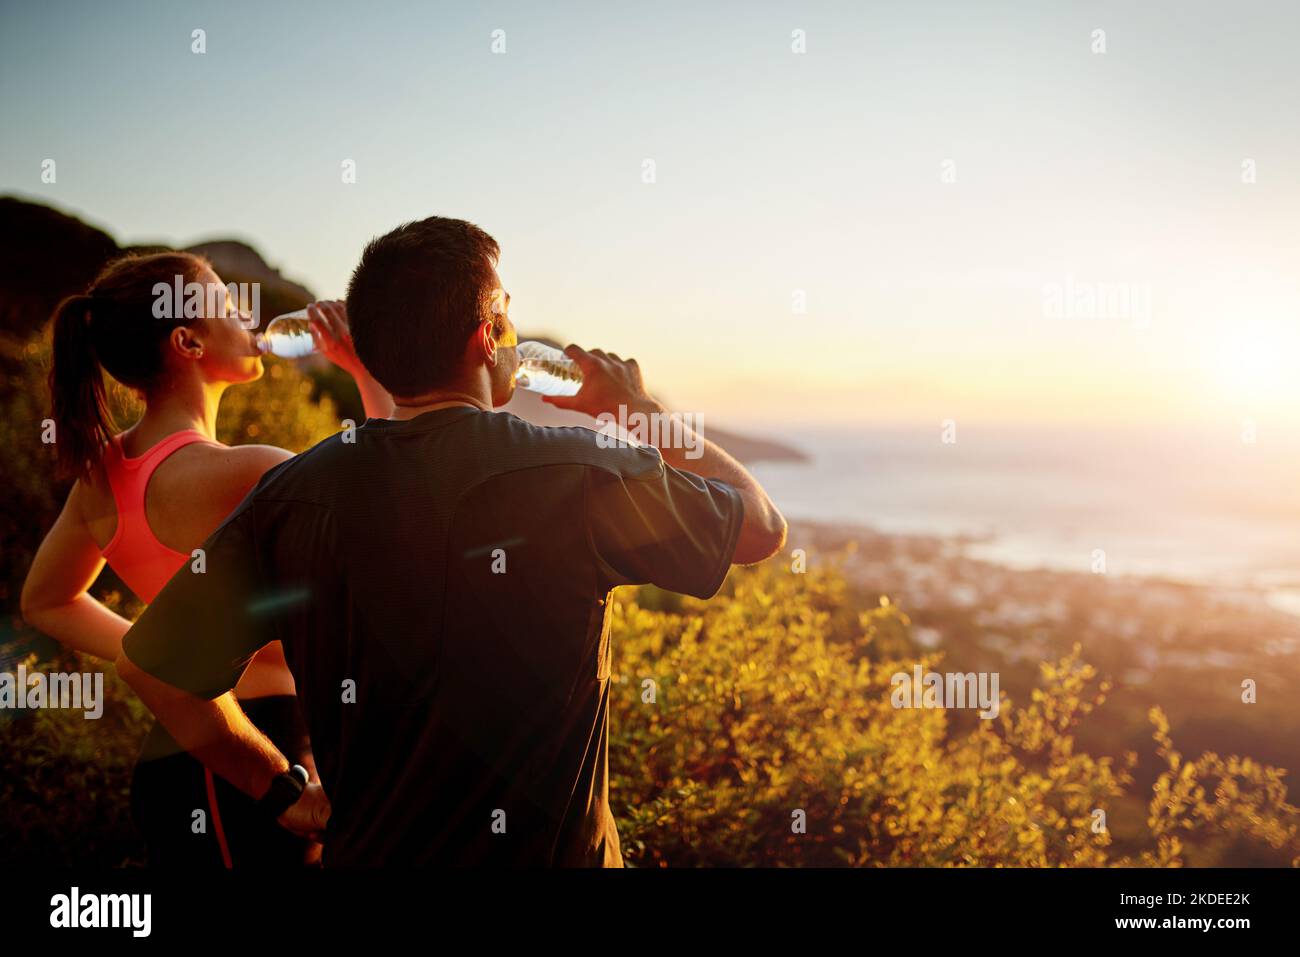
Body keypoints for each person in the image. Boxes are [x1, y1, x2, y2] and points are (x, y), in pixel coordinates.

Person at [115, 217, 787, 866]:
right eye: (506, 317)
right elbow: (758, 526)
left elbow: (153, 667)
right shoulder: (579, 472)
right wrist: (639, 412)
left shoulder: (292, 496)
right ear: (484, 337)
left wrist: (283, 791)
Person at [20, 250, 393, 866]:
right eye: (227, 304)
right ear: (188, 340)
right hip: (257, 756)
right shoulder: (250, 471)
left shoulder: (102, 474)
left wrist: (155, 659)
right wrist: (363, 366)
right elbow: (396, 498)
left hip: (179, 756)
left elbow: (46, 600)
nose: (248, 315)